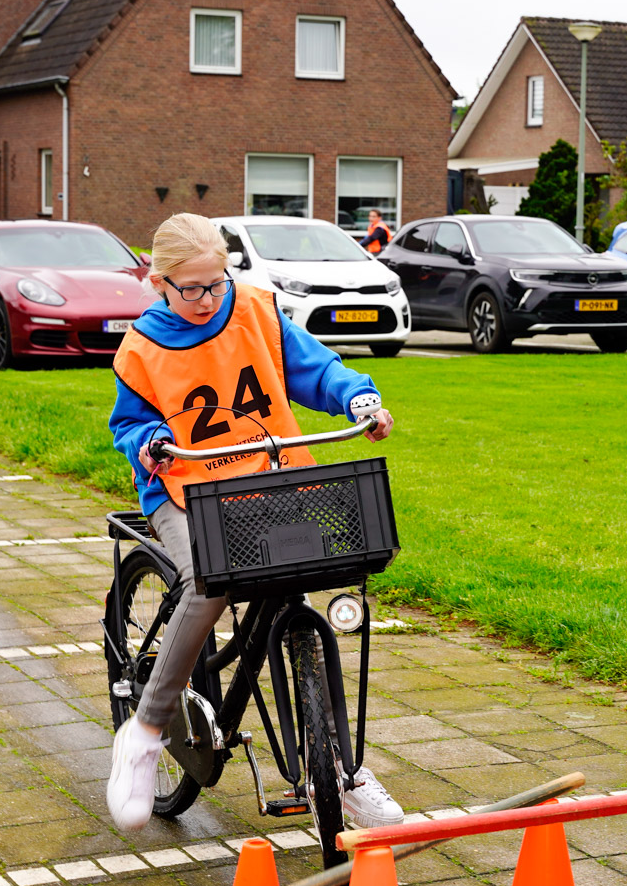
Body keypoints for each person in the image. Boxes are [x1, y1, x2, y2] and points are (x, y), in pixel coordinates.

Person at [104, 213, 405, 833]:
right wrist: (151, 442)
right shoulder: (140, 347)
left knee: (298, 584)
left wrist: (356, 396)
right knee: (206, 586)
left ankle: (342, 774)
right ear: (159, 282)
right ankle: (146, 732)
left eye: (217, 282)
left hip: (268, 477)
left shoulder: (258, 310)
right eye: (192, 288)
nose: (209, 298)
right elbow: (128, 426)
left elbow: (315, 370)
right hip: (183, 488)